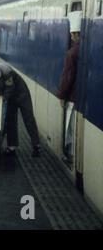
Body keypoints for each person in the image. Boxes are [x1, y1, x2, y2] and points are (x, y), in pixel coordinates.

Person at [0, 59, 41, 158]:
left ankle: (36, 145)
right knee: (10, 120)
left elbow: (10, 88)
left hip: (21, 93)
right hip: (5, 95)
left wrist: (1, 100)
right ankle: (12, 146)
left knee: (28, 117)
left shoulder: (7, 71)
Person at [57, 15, 81, 163]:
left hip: (72, 97)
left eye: (73, 34)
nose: (71, 37)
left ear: (77, 34)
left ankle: (70, 155)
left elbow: (67, 76)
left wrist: (61, 95)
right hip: (82, 96)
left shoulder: (72, 52)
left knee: (70, 127)